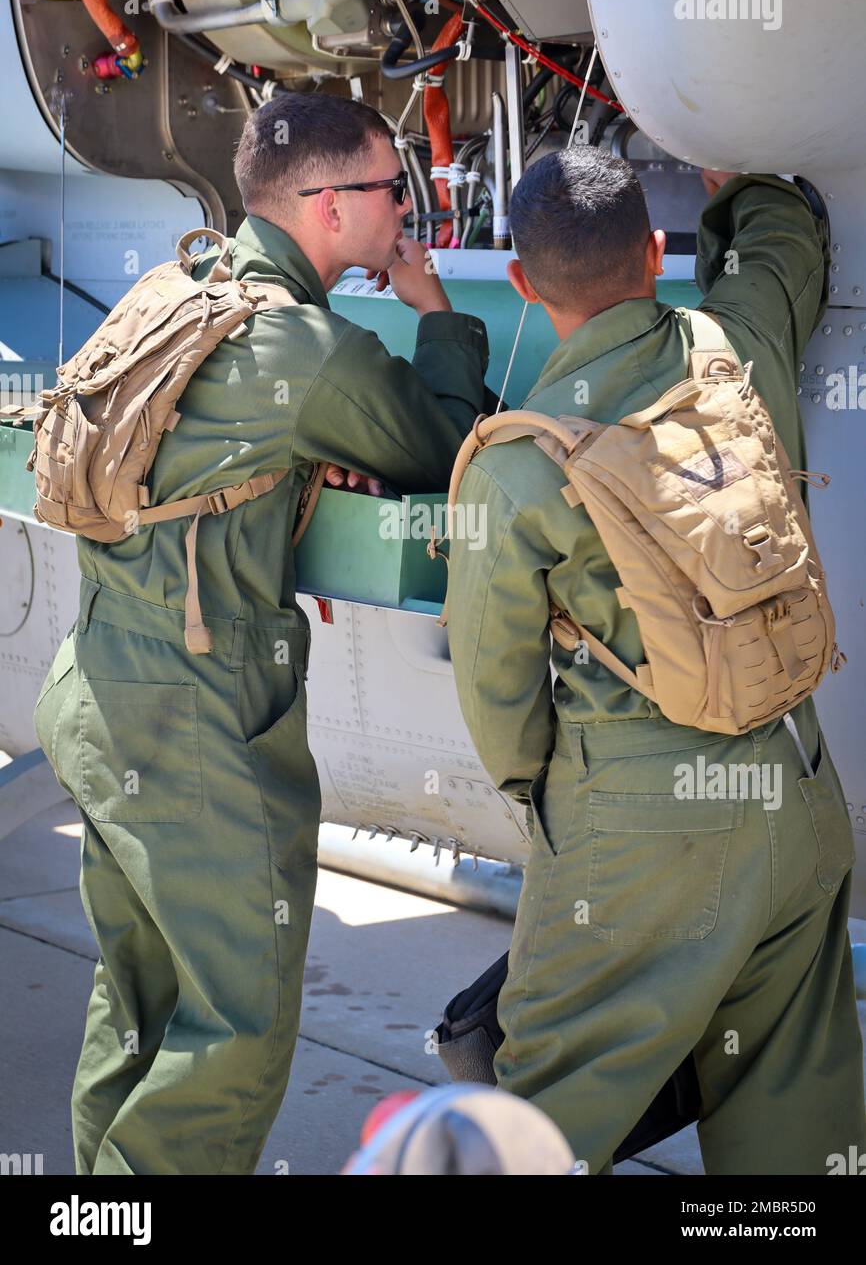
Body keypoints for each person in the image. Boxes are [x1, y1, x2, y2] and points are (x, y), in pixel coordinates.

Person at [33, 92, 489, 1174]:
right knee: (234, 1026)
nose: (403, 209)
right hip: (199, 732)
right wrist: (434, 312)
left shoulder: (179, 286)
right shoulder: (306, 346)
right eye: (391, 189)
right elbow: (451, 448)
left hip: (103, 692)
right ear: (329, 206)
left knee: (140, 1000)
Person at [445, 146, 865, 1174]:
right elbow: (779, 247)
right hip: (794, 790)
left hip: (633, 835)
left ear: (518, 280)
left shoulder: (511, 465)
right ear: (651, 248)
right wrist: (743, 190)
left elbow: (495, 687)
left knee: (539, 1122)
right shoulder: (739, 349)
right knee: (790, 1113)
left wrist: (550, 802)